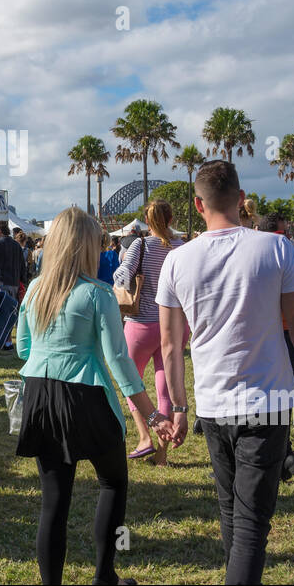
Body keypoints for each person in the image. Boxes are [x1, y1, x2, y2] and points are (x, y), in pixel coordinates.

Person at [159, 161, 294, 584]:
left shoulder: (178, 260)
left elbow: (171, 345)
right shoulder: (275, 248)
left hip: (212, 403)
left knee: (234, 513)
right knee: (251, 523)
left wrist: (179, 408)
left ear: (197, 204)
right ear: (242, 199)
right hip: (267, 401)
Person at [17, 207, 172, 585]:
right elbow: (119, 361)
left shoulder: (35, 289)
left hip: (38, 393)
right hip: (84, 395)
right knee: (113, 482)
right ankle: (105, 576)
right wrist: (153, 415)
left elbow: (23, 348)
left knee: (54, 501)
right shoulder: (98, 294)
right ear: (87, 247)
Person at [113, 199, 186, 466]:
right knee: (165, 388)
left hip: (142, 322)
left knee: (131, 381)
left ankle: (145, 436)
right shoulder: (181, 247)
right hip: (175, 324)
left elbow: (121, 277)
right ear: (171, 218)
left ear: (147, 219)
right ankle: (162, 454)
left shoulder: (140, 245)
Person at [0, 219, 27, 302]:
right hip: (15, 285)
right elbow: (23, 267)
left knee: (1, 311)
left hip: (1, 285)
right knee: (11, 311)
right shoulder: (17, 245)